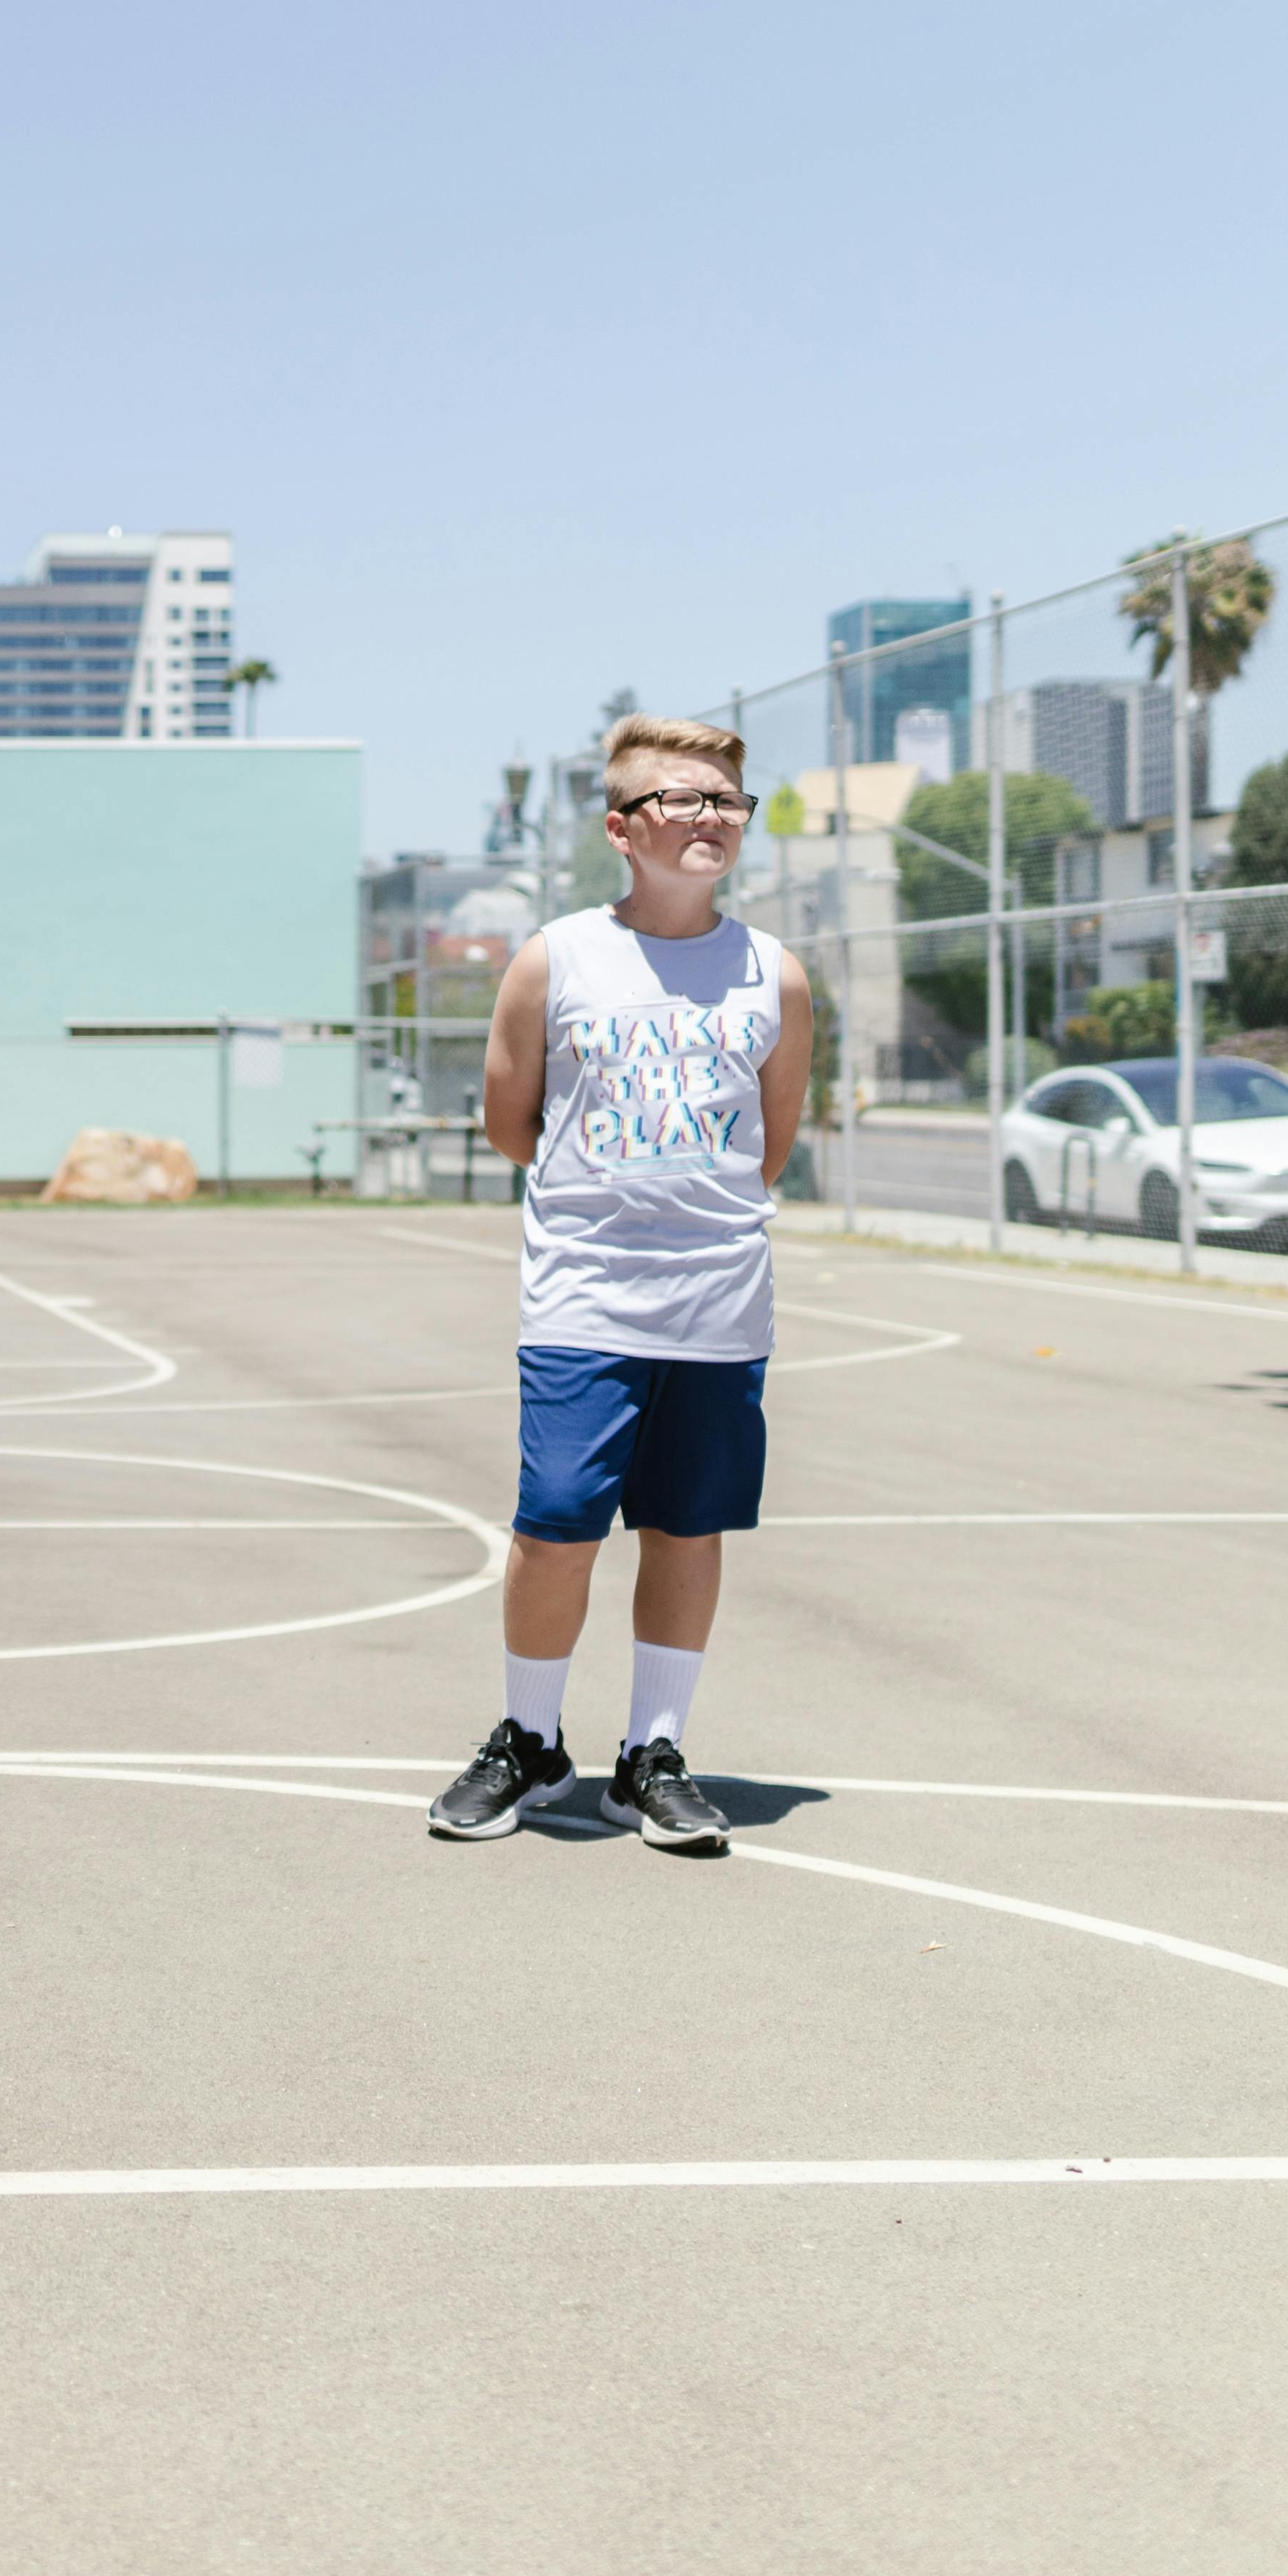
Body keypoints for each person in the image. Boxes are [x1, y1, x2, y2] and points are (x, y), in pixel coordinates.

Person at [427, 714, 810, 1855]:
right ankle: (531, 1742)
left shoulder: (773, 975)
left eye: (727, 804)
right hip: (586, 1295)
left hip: (720, 1303)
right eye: (680, 801)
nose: (709, 820)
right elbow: (512, 1121)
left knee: (688, 1528)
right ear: (620, 828)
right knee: (555, 1525)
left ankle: (652, 1753)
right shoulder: (557, 957)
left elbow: (768, 1143)